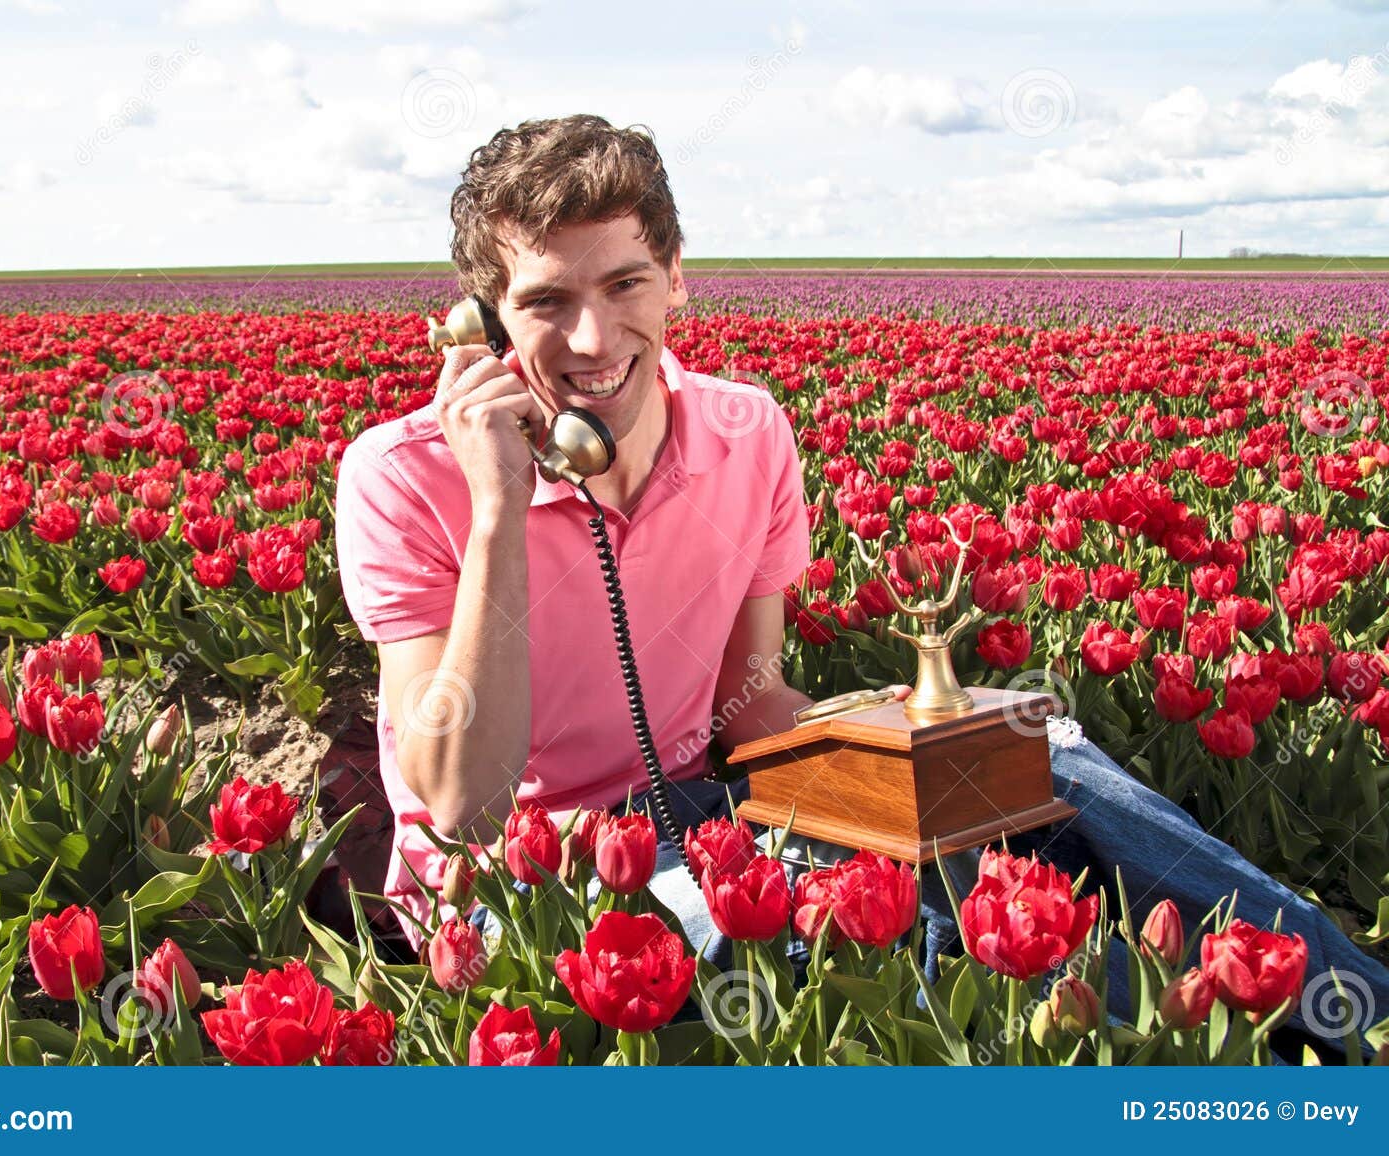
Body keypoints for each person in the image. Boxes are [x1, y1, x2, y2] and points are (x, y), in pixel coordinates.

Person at [334, 114, 1389, 1055]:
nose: (593, 338)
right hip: (526, 879)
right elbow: (463, 805)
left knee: (1036, 755)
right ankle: (1190, 1066)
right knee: (893, 904)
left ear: (676, 275)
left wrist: (907, 739)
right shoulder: (402, 475)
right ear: (481, 324)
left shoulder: (746, 430)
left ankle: (1356, 1012)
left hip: (709, 808)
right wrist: (499, 507)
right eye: (545, 302)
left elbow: (748, 703)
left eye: (624, 284)